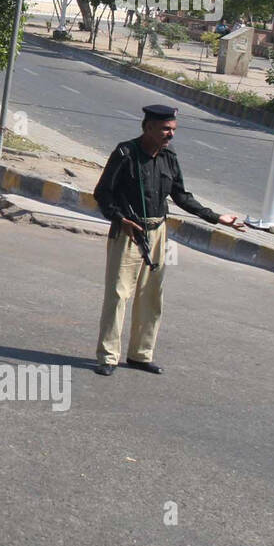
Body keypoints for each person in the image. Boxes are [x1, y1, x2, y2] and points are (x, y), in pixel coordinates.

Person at [91, 104, 247, 377]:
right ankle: (108, 356)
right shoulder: (125, 153)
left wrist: (216, 217)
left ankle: (140, 354)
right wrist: (120, 220)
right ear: (148, 127)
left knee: (151, 295)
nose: (170, 135)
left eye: (173, 130)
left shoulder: (169, 157)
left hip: (157, 230)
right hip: (128, 231)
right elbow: (102, 193)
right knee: (118, 293)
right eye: (165, 129)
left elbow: (181, 196)